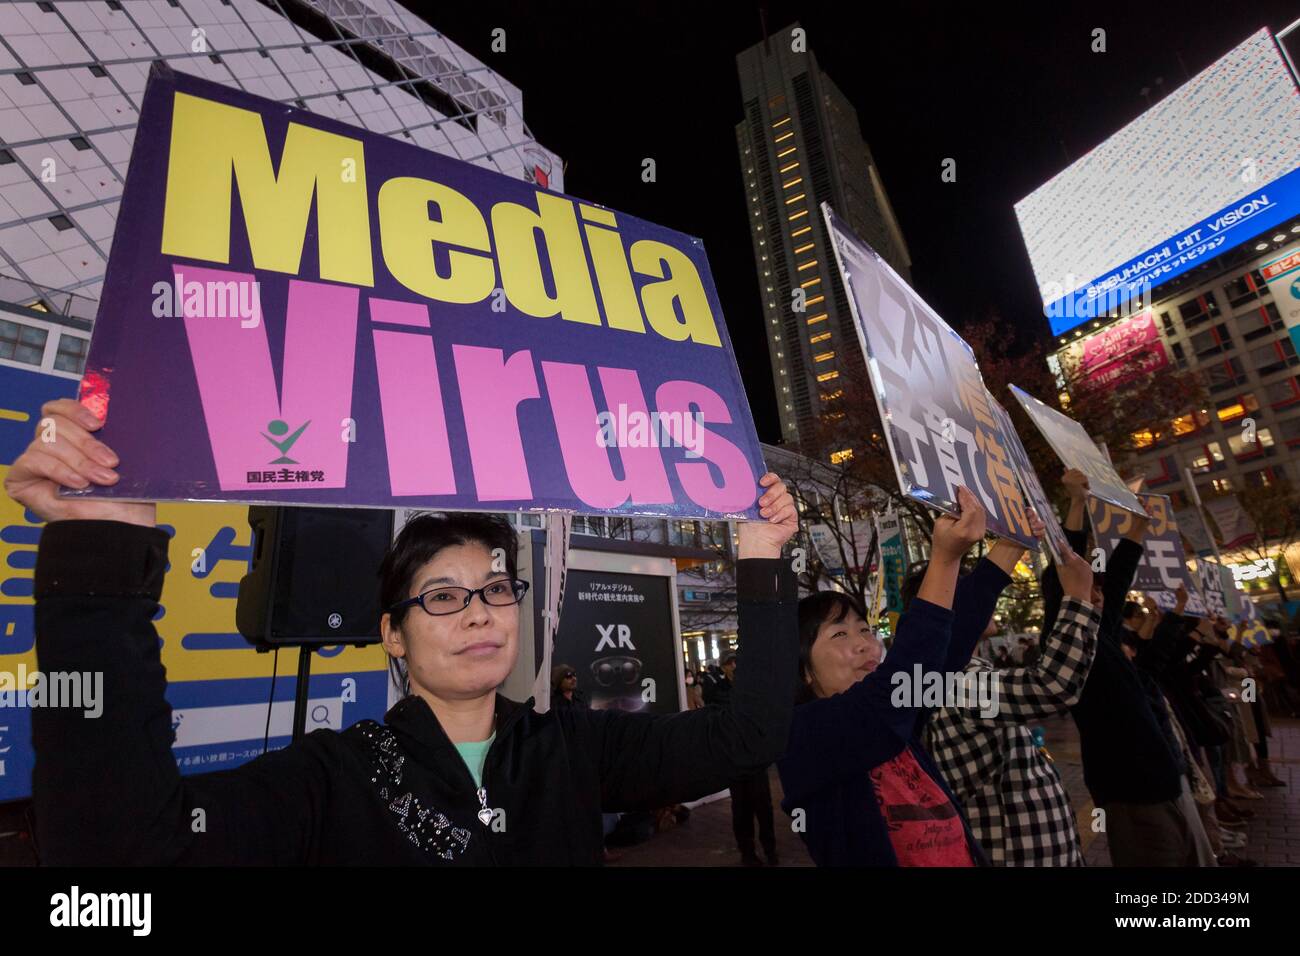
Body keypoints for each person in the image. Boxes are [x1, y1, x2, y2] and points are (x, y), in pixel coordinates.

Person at [10, 398, 802, 865]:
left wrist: (761, 560)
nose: (480, 611)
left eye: (495, 587)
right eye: (443, 597)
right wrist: (101, 550)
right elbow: (120, 855)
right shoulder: (332, 779)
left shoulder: (576, 749)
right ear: (392, 635)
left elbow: (753, 732)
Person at [777, 486, 989, 866]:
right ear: (805, 671)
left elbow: (948, 648)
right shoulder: (802, 735)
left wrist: (1005, 554)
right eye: (839, 634)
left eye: (864, 629)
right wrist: (943, 558)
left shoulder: (901, 717)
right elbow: (898, 685)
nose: (864, 644)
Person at [1040, 469, 1208, 867]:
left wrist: (1139, 527)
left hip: (1168, 781)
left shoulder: (1104, 636)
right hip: (1130, 794)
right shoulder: (1068, 646)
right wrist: (1077, 502)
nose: (1098, 593)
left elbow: (1117, 577)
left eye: (1098, 589)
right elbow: (1069, 561)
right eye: (1086, 587)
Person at [916, 515, 1102, 867]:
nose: (982, 597)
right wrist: (1077, 599)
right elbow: (1051, 685)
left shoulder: (962, 676)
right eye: (965, 587)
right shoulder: (954, 684)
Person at [706, 651, 778, 866]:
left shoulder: (753, 688)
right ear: (724, 667)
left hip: (756, 756)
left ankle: (770, 849)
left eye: (737, 662)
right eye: (730, 663)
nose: (734, 666)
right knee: (741, 807)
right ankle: (747, 851)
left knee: (763, 806)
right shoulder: (718, 690)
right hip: (734, 756)